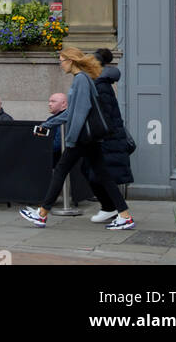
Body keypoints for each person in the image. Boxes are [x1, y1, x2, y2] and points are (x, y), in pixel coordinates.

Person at [19, 46, 135, 231]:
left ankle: (42, 214)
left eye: (61, 61)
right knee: (103, 175)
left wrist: (71, 138)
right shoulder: (82, 79)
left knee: (60, 170)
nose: (60, 65)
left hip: (82, 137)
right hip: (89, 138)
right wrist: (48, 124)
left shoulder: (81, 80)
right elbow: (72, 112)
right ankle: (125, 215)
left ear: (70, 61)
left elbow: (78, 112)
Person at [83, 48, 133, 222]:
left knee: (100, 175)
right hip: (103, 136)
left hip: (105, 138)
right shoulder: (97, 82)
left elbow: (103, 113)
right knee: (93, 172)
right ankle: (111, 208)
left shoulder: (100, 84)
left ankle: (116, 210)